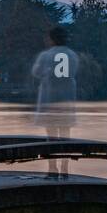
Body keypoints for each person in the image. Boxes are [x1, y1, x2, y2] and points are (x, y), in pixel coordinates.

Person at [31, 26, 79, 178]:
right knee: (65, 135)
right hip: (67, 101)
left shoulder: (45, 56)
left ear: (51, 39)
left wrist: (47, 73)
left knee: (50, 137)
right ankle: (65, 169)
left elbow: (36, 72)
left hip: (49, 100)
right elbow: (73, 71)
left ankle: (52, 169)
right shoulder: (72, 55)